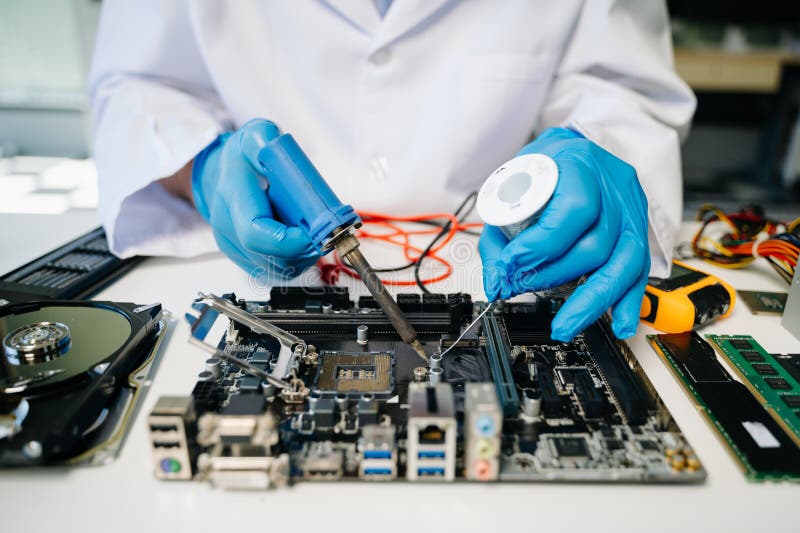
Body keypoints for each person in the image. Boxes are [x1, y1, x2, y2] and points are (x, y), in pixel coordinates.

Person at [89, 0, 695, 341]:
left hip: (500, 249)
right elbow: (138, 85)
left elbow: (623, 94)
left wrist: (602, 151)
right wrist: (204, 168)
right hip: (232, 259)